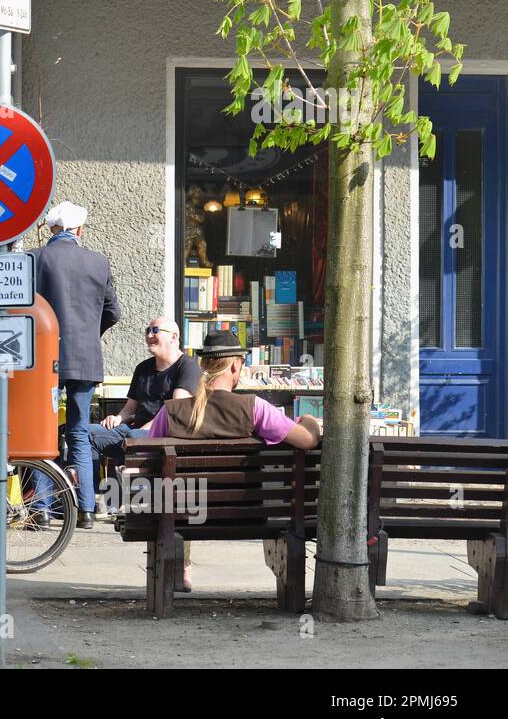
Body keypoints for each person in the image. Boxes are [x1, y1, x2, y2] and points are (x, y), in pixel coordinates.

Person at [146, 329, 322, 589]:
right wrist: (309, 420)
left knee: (175, 494)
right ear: (236, 365)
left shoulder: (171, 412)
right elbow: (308, 440)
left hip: (185, 516)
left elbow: (147, 460)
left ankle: (176, 572)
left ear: (204, 365)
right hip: (247, 514)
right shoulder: (255, 408)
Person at [32, 201, 121, 528]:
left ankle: (41, 509)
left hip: (44, 360)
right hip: (85, 358)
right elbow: (114, 312)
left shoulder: (36, 259)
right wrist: (87, 335)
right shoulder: (99, 262)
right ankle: (85, 509)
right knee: (80, 432)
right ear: (79, 231)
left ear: (53, 230)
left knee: (42, 431)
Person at [89, 316, 200, 514]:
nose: (149, 335)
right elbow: (130, 408)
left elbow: (174, 411)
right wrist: (118, 418)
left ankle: (121, 501)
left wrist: (144, 430)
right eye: (147, 330)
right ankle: (91, 499)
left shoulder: (187, 366)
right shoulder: (143, 368)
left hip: (167, 435)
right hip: (135, 431)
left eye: (155, 331)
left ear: (174, 337)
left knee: (134, 438)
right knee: (88, 433)